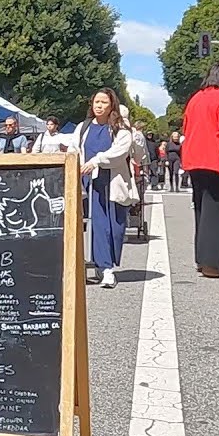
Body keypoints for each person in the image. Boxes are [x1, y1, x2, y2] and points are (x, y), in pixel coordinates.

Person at [182, 63, 219, 278]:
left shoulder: (196, 98)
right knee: (216, 211)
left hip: (194, 158)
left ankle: (202, 258)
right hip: (216, 159)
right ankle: (211, 263)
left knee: (202, 210)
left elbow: (186, 127)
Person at [77, 90, 139, 288]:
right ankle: (105, 268)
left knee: (116, 227)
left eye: (104, 102)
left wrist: (97, 161)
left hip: (114, 182)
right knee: (99, 225)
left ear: (112, 105)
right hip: (92, 183)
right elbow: (74, 149)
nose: (99, 105)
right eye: (96, 101)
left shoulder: (121, 128)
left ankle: (105, 263)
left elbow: (120, 152)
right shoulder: (83, 127)